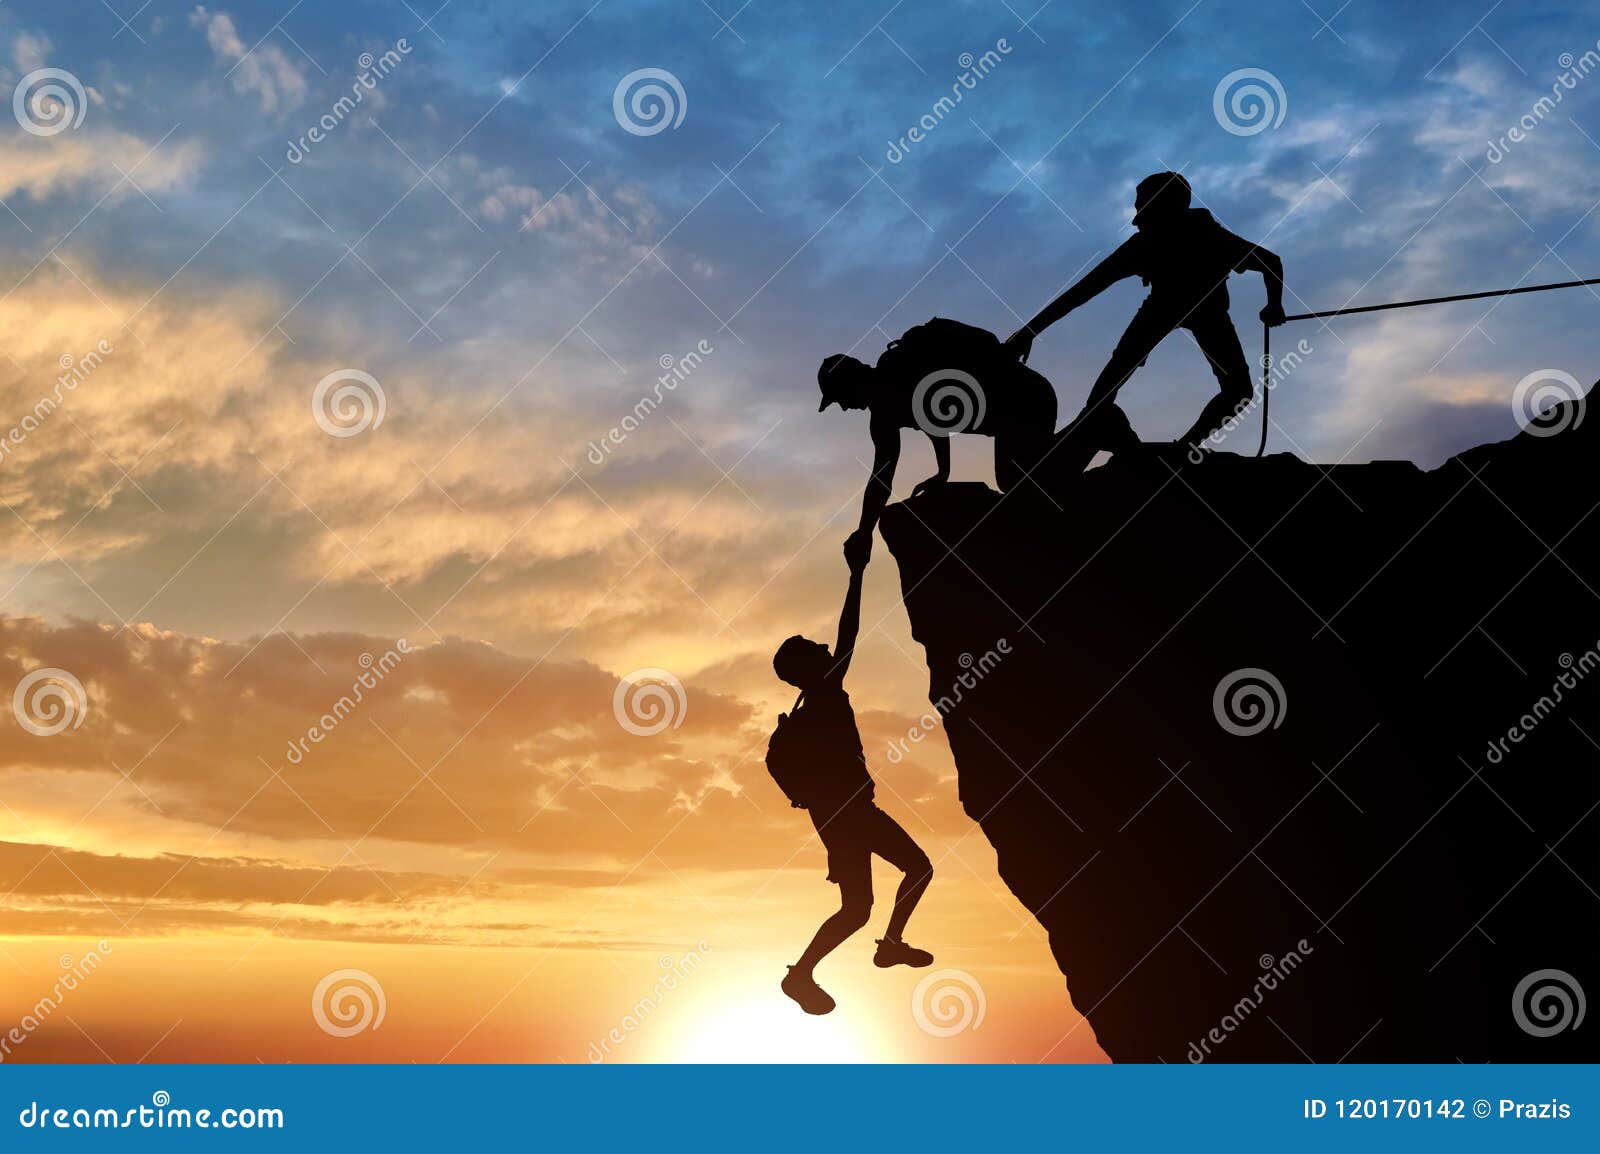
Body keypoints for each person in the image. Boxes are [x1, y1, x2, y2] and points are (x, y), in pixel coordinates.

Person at [1003, 172, 1285, 456]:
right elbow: (1083, 291)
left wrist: (1275, 305)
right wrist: (1029, 331)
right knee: (1110, 387)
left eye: (1142, 206)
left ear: (1163, 205)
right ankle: (1124, 433)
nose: (1137, 216)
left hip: (1201, 311)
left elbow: (1271, 262)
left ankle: (1184, 447)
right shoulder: (1153, 243)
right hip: (1168, 308)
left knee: (1237, 390)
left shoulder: (1200, 238)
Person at [773, 533, 935, 1015]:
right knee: (919, 867)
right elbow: (850, 633)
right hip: (849, 814)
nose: (824, 646)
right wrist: (857, 573)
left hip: (833, 816)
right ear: (805, 667)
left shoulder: (807, 706)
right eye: (811, 646)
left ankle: (804, 973)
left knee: (856, 909)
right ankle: (888, 945)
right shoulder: (823, 692)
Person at [818, 318, 1058, 563]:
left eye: (839, 399)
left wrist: (943, 471)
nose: (845, 408)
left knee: (1018, 483)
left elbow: (931, 409)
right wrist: (865, 531)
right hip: (1012, 418)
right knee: (1022, 485)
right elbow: (882, 477)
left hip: (1028, 399)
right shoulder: (883, 415)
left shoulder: (897, 369)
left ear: (850, 382)